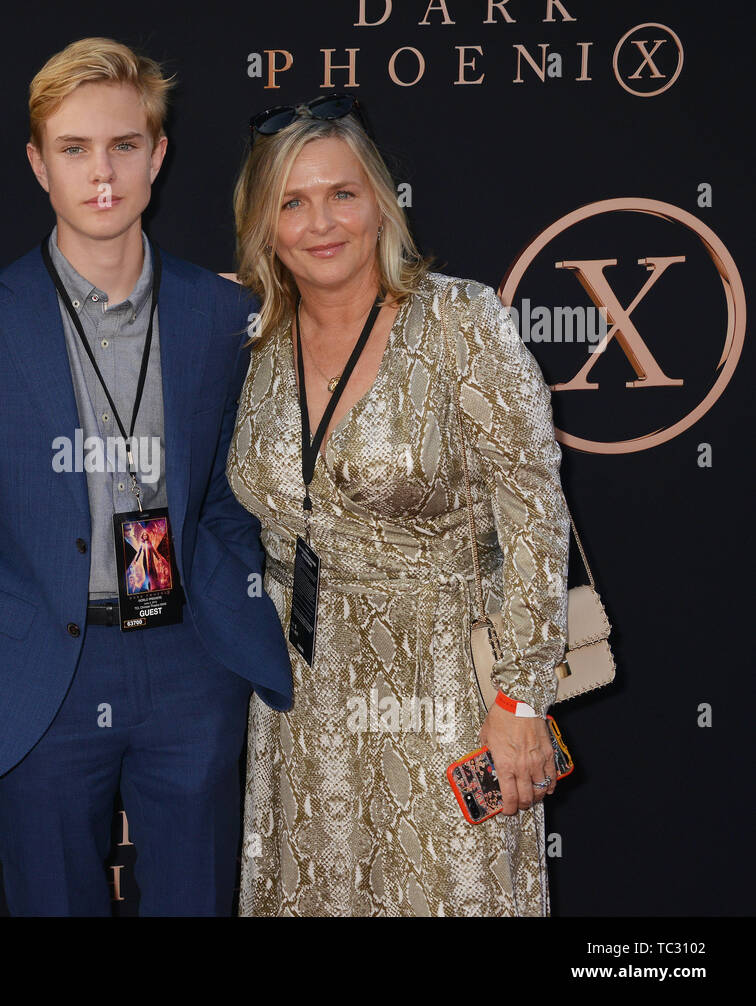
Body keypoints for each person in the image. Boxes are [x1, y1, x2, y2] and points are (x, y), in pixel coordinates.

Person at [0, 37, 291, 916]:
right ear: (37, 164)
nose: (102, 173)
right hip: (39, 679)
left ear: (158, 156)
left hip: (191, 664)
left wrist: (222, 637)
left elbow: (238, 501)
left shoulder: (227, 315)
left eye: (124, 146)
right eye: (74, 148)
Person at [228, 94, 570, 916]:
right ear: (263, 224)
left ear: (381, 200)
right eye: (293, 201)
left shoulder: (461, 321)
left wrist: (520, 702)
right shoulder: (259, 343)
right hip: (302, 697)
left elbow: (535, 514)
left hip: (450, 690)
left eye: (342, 193)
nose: (322, 222)